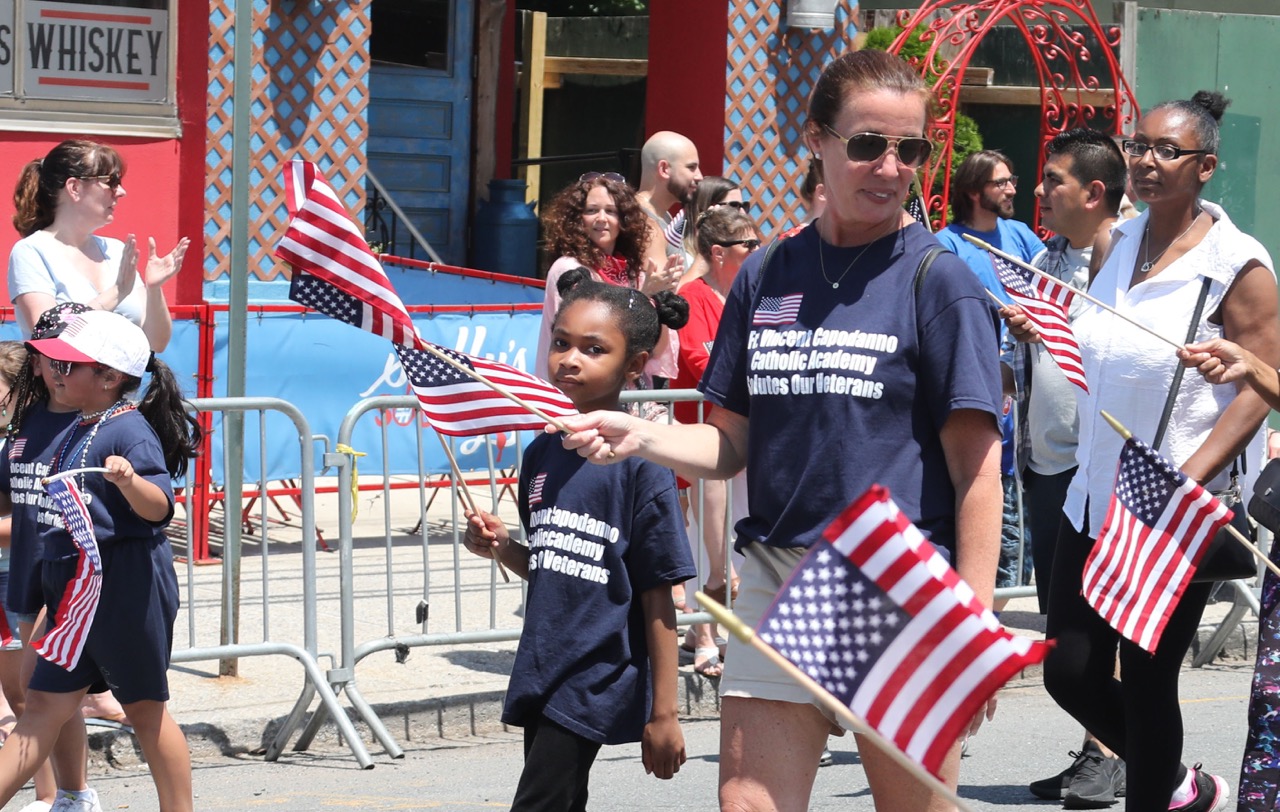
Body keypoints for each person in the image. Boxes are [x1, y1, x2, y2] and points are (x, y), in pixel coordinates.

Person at [555, 49, 1005, 811]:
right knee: (748, 803)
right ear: (818, 140)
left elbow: (978, 470)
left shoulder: (941, 281)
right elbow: (731, 440)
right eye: (868, 144)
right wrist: (640, 435)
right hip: (776, 575)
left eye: (911, 150)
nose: (891, 168)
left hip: (898, 583)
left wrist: (975, 618)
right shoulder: (766, 273)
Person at [1011, 90, 1280, 811]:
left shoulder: (1237, 262)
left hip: (1170, 507)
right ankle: (1177, 784)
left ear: (1207, 167)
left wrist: (1184, 482)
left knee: (1148, 675)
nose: (1147, 162)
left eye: (1168, 151)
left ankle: (1156, 796)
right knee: (1067, 670)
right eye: (1140, 147)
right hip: (1091, 492)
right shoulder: (1116, 242)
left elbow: (1263, 384)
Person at [462, 268, 696, 810]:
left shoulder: (643, 466)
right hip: (543, 659)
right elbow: (549, 563)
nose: (570, 359)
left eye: (594, 349)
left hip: (597, 670)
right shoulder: (541, 453)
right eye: (562, 343)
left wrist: (665, 711)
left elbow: (658, 594)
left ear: (633, 366)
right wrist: (500, 546)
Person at [0, 310, 203, 812]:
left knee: (145, 711)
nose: (54, 373)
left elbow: (160, 507)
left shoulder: (127, 430)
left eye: (70, 367)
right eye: (55, 365)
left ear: (110, 379)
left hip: (126, 588)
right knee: (42, 705)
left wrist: (130, 481)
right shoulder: (72, 423)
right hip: (73, 591)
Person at [1001, 128, 1129, 807]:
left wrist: (1051, 328)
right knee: (1063, 621)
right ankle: (1099, 744)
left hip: (1104, 468)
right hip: (1047, 461)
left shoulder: (1132, 259)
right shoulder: (1044, 257)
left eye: (1052, 180)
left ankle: (1113, 753)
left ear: (1094, 191)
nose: (1039, 191)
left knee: (1099, 620)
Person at [938, 150, 1047, 610]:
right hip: (977, 388)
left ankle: (996, 607)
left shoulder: (1020, 235)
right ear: (973, 191)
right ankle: (982, 609)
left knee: (1020, 500)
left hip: (1028, 389)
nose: (1012, 189)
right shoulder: (946, 245)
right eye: (1001, 182)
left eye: (1011, 179)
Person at [671, 207, 758, 678]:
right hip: (702, 437)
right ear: (720, 252)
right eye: (748, 244)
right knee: (706, 545)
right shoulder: (692, 295)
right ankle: (704, 635)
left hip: (740, 436)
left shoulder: (745, 294)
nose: (756, 250)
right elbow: (700, 364)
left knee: (735, 539)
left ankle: (714, 631)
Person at [9, 139, 189, 352]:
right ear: (74, 188)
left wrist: (154, 288)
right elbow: (49, 334)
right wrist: (116, 293)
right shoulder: (31, 251)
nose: (121, 192)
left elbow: (156, 343)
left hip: (121, 385)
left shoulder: (115, 250)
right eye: (111, 181)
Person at [535, 173, 681, 394]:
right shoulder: (569, 269)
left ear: (624, 220)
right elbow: (589, 334)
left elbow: (655, 350)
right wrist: (643, 298)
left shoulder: (633, 270)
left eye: (611, 211)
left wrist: (659, 303)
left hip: (630, 397)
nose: (601, 218)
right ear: (577, 219)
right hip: (578, 393)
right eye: (591, 210)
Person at [635, 130, 702, 270]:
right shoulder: (643, 223)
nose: (699, 176)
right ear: (664, 169)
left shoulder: (663, 216)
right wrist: (704, 261)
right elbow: (665, 289)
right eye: (691, 167)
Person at [661, 175, 746, 278]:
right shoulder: (681, 257)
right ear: (706, 208)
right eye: (734, 206)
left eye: (744, 206)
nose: (743, 213)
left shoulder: (734, 253)